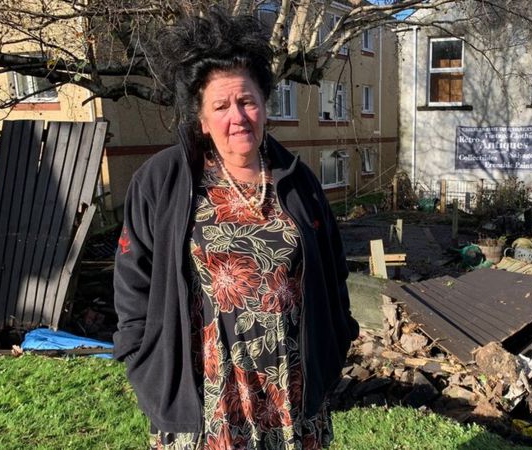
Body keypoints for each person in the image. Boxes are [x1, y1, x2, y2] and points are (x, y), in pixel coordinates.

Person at [112, 9, 359, 449]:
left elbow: (334, 271)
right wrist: (139, 356)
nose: (237, 116)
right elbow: (134, 278)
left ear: (265, 106)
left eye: (246, 101)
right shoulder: (163, 181)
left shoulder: (299, 181)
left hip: (291, 385)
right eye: (221, 106)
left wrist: (338, 337)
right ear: (202, 120)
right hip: (206, 387)